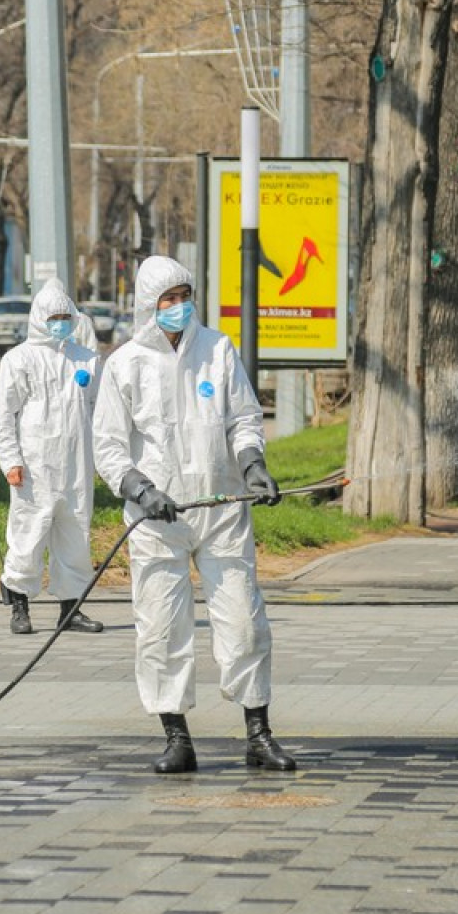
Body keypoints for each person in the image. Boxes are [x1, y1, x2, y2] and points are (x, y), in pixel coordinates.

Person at [92, 255, 295, 775]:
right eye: (169, 299)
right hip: (157, 522)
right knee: (161, 628)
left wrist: (252, 465)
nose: (180, 307)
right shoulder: (125, 364)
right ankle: (176, 737)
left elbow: (243, 418)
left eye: (185, 296)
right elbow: (108, 447)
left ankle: (258, 734)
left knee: (245, 624)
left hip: (222, 511)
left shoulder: (217, 350)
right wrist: (141, 489)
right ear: (148, 306)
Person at [0, 281, 105, 637]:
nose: (59, 323)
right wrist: (10, 460)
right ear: (39, 318)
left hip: (76, 466)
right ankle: (19, 606)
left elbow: (102, 412)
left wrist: (104, 460)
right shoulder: (19, 359)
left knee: (76, 535)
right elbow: (1, 414)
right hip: (34, 467)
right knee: (28, 534)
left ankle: (71, 610)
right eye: (53, 317)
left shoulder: (86, 360)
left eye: (65, 317)